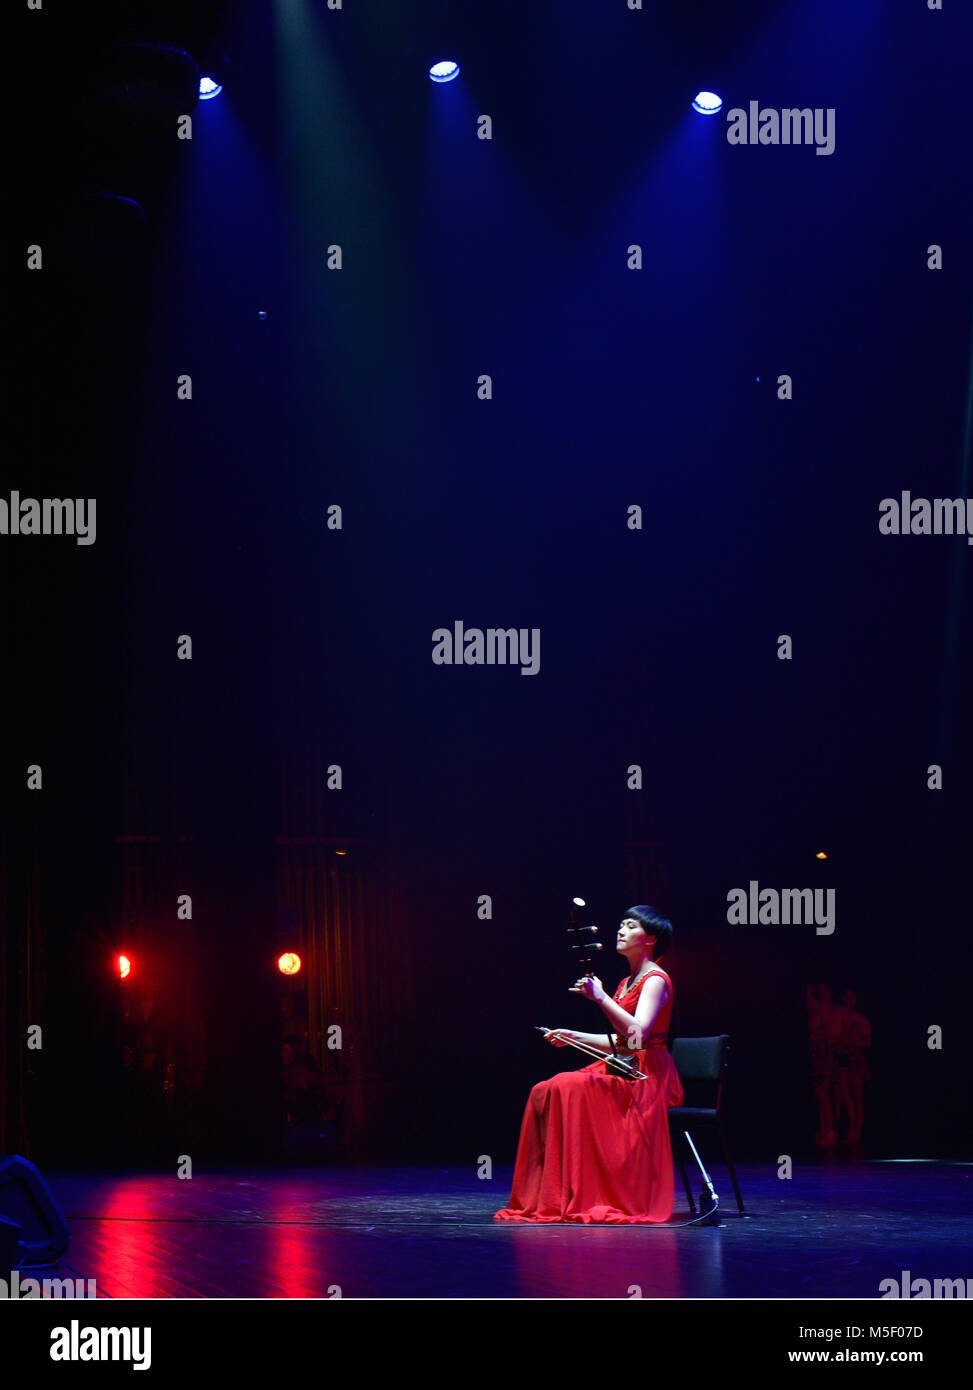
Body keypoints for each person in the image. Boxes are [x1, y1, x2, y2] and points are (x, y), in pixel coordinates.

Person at [494, 905, 684, 1224]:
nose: (621, 930)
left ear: (650, 938)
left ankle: (589, 1191)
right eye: (621, 924)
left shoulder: (655, 980)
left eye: (630, 926)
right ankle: (559, 1194)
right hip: (625, 1063)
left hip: (645, 1075)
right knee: (545, 1090)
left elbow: (639, 1033)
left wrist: (601, 998)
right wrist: (574, 1036)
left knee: (566, 1087)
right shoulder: (626, 982)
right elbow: (621, 1040)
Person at [834, 988, 871, 1146]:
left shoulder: (862, 1020)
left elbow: (867, 1043)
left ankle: (856, 1130)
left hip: (856, 1059)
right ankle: (846, 1129)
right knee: (842, 1094)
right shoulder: (839, 1016)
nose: (849, 1001)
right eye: (846, 997)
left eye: (852, 997)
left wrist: (852, 1041)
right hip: (842, 1058)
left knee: (857, 1095)